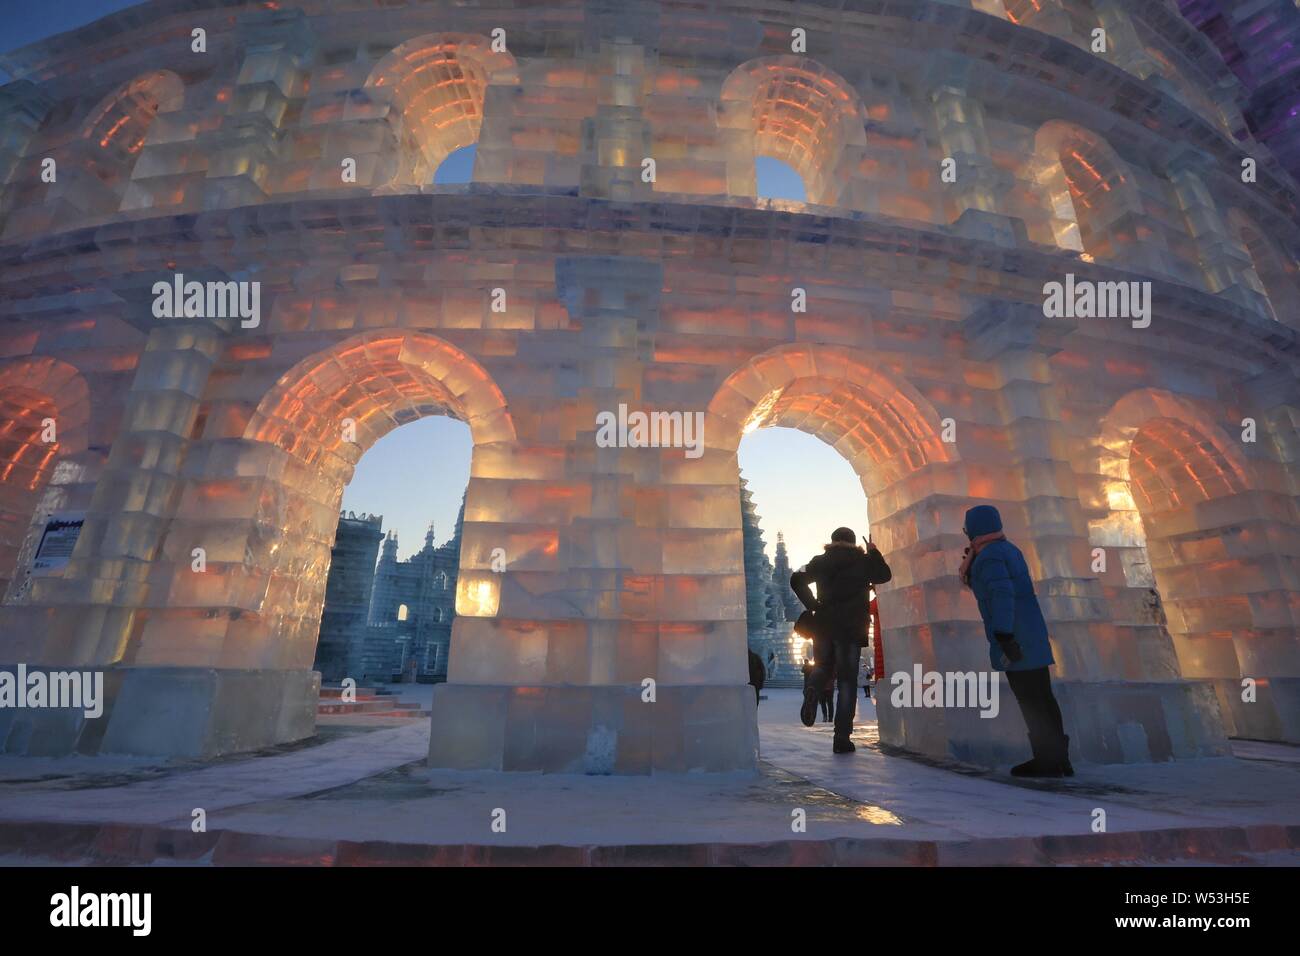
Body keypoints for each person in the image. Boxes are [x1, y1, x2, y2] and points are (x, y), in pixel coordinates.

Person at [960, 504, 1073, 778]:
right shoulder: (1006, 550)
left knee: (1031, 699)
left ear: (974, 528)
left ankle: (1047, 760)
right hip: (1030, 632)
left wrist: (1003, 633)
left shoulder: (989, 557)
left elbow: (1001, 594)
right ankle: (1058, 759)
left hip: (1015, 635)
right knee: (1042, 697)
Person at [791, 527, 892, 754]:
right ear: (853, 542)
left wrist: (813, 605)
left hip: (824, 626)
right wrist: (873, 552)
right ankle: (841, 738)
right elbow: (884, 575)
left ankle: (813, 689)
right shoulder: (863, 561)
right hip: (851, 628)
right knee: (846, 682)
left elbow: (796, 579)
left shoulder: (820, 561)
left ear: (833, 541)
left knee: (823, 666)